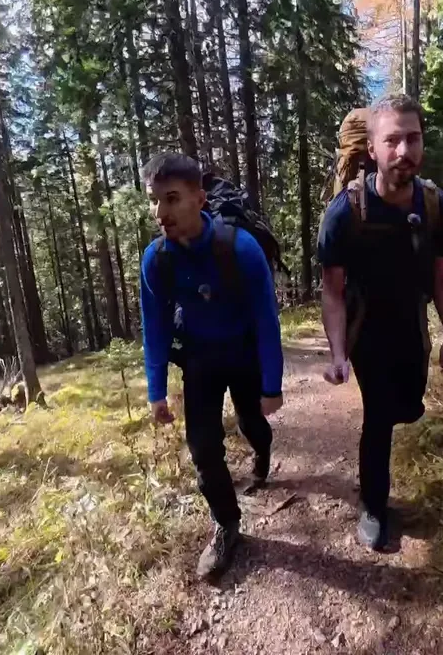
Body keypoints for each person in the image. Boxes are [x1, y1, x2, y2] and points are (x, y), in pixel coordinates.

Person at [317, 93, 443, 552]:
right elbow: (332, 290)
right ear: (373, 150)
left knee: (409, 406)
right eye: (392, 141)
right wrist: (338, 353)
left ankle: (396, 420)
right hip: (367, 329)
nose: (404, 151)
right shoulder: (345, 212)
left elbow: (442, 274)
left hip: (412, 324)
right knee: (378, 415)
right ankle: (374, 506)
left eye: (412, 139)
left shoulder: (437, 206)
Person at [139, 153, 284, 580]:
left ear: (199, 199)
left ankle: (262, 449)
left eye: (171, 199)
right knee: (203, 449)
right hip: (199, 360)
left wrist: (272, 384)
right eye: (154, 201)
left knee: (252, 423)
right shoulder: (156, 259)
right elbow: (154, 327)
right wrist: (156, 390)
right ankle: (226, 524)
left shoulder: (241, 248)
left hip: (243, 353)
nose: (161, 213)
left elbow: (266, 319)